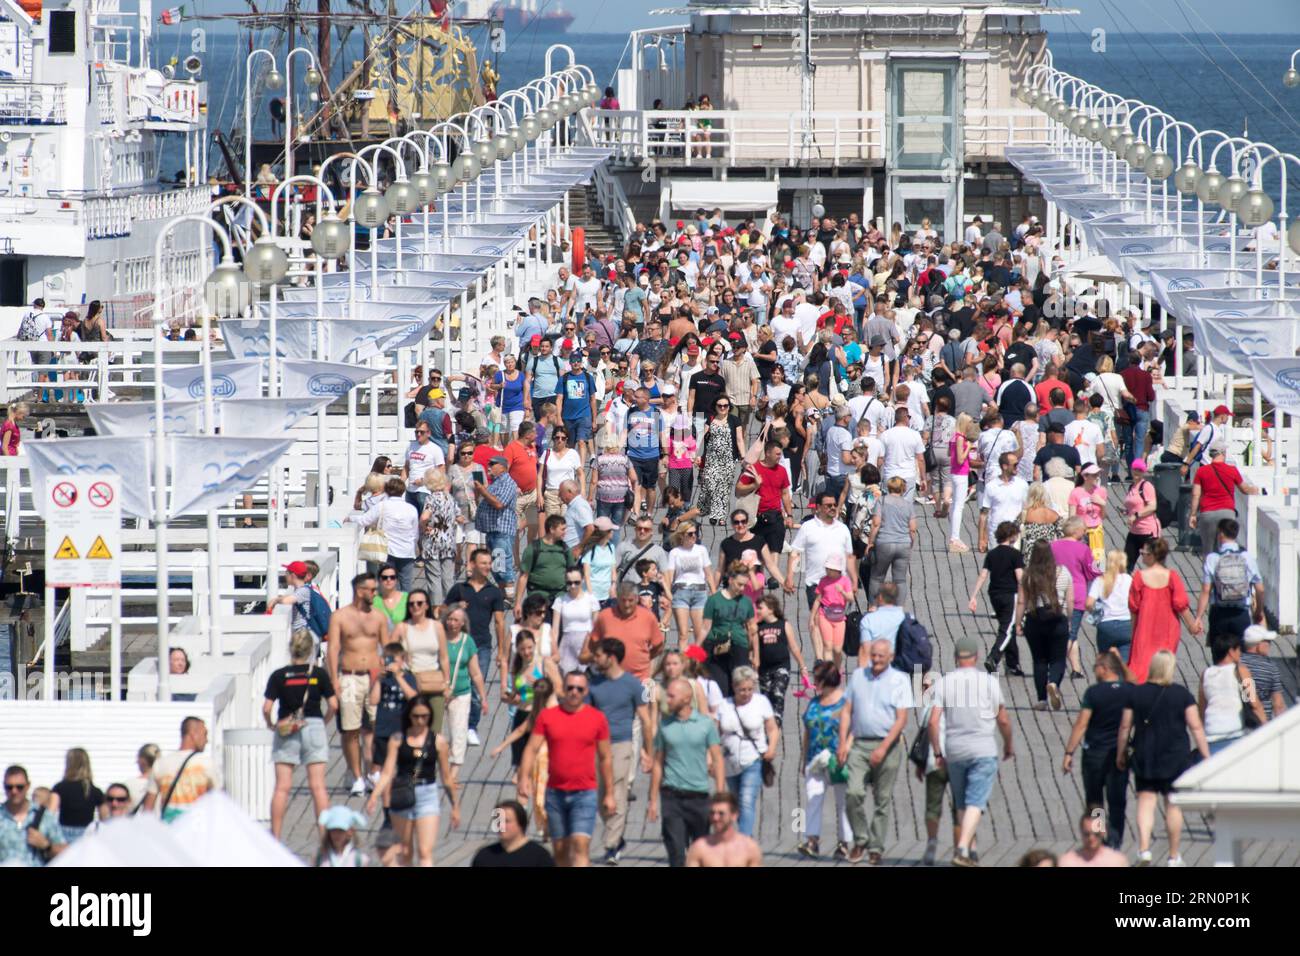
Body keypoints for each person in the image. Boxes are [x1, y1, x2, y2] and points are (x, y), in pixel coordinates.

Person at [1117, 650, 1210, 866]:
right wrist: (1206, 755)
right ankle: (1173, 855)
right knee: (1173, 806)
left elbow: (1124, 726)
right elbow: (1196, 727)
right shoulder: (1181, 694)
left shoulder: (1136, 694)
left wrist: (1121, 753)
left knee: (1146, 801)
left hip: (1145, 753)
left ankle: (1143, 850)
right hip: (1175, 757)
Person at [928, 636, 1013, 867]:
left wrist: (937, 752)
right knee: (976, 801)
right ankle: (963, 848)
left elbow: (933, 722)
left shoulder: (945, 682)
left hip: (954, 750)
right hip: (983, 749)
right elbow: (1003, 719)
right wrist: (1008, 745)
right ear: (975, 657)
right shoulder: (988, 682)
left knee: (961, 802)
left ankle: (970, 850)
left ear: (956, 658)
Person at [518, 669, 616, 867]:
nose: (574, 692)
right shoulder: (548, 716)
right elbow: (531, 748)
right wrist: (523, 778)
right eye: (570, 687)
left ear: (586, 691)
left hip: (585, 793)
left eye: (579, 689)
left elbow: (605, 757)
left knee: (580, 845)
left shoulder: (597, 718)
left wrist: (609, 794)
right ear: (563, 689)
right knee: (560, 851)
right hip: (555, 793)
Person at [837, 639, 913, 865]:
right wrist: (843, 742)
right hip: (859, 744)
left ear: (890, 657)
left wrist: (883, 748)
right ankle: (861, 839)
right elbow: (846, 711)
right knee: (853, 792)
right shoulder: (859, 676)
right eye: (874, 655)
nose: (877, 659)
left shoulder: (899, 680)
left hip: (888, 746)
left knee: (882, 799)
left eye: (881, 656)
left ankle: (876, 848)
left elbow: (901, 720)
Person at [367, 696, 460, 867]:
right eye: (416, 716)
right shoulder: (397, 739)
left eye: (424, 716)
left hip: (427, 794)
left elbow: (446, 777)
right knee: (405, 851)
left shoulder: (438, 741)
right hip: (403, 793)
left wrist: (455, 806)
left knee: (425, 852)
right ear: (408, 716)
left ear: (430, 716)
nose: (420, 721)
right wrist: (374, 795)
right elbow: (387, 772)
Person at [263, 629, 338, 839]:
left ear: (290, 649)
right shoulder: (318, 674)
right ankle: (325, 839)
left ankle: (275, 837)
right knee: (317, 786)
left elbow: (267, 707)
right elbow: (333, 704)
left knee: (282, 787)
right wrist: (324, 721)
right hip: (313, 724)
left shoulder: (279, 675)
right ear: (310, 651)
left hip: (287, 727)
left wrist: (270, 725)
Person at [586, 636, 653, 865]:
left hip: (621, 744)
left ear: (611, 658)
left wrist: (648, 751)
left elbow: (645, 718)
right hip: (596, 747)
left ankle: (612, 844)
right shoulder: (593, 684)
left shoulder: (632, 684)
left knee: (618, 792)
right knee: (602, 796)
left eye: (599, 655)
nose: (594, 659)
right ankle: (615, 834)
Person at [649, 677, 726, 867]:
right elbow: (658, 763)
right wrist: (652, 800)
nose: (667, 700)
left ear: (686, 698)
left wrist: (720, 795)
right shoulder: (665, 726)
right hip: (671, 795)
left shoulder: (705, 724)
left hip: (699, 796)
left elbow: (717, 759)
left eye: (672, 696)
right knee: (676, 852)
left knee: (701, 851)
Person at [1062, 650, 1131, 850]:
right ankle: (1115, 841)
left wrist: (1069, 752)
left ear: (1105, 669)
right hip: (1119, 754)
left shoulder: (1094, 693)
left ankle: (1099, 835)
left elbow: (1082, 723)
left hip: (1094, 753)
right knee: (1117, 800)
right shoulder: (1128, 691)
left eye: (1096, 666)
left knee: (1095, 800)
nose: (1094, 670)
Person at [328, 573, 388, 795]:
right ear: (359, 590)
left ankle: (373, 770)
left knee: (376, 727)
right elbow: (333, 649)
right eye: (372, 590)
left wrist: (384, 676)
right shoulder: (340, 617)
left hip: (373, 676)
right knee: (350, 730)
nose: (375, 593)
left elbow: (387, 647)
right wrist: (334, 680)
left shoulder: (378, 617)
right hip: (349, 675)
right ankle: (356, 775)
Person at [446, 548, 508, 746]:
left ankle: (470, 726)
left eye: (489, 563)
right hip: (458, 643)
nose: (488, 567)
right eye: (483, 563)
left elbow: (499, 622)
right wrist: (456, 608)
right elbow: (441, 611)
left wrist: (501, 652)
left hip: (482, 645)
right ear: (472, 564)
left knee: (475, 684)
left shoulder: (494, 592)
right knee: (458, 685)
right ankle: (459, 724)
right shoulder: (459, 590)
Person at [797, 660, 852, 859]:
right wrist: (804, 760)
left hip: (838, 759)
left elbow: (855, 728)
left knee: (843, 802)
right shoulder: (814, 702)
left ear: (826, 681)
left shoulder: (845, 701)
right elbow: (807, 730)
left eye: (817, 679)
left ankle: (844, 843)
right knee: (813, 798)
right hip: (814, 757)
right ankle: (812, 841)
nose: (814, 682)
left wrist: (846, 746)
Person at [716, 665, 779, 838]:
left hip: (753, 759)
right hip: (730, 761)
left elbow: (772, 728)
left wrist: (771, 747)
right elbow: (715, 734)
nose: (746, 693)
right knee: (736, 802)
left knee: (746, 800)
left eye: (750, 689)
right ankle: (746, 834)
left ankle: (744, 839)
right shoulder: (724, 706)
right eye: (742, 689)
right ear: (734, 687)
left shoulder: (761, 702)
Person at [1128, 539, 1200, 683]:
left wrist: (1133, 633)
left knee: (1140, 666)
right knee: (1164, 665)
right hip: (1168, 629)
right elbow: (1181, 605)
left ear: (1152, 555)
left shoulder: (1139, 577)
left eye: (1143, 553)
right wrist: (1192, 624)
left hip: (1145, 628)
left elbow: (1134, 608)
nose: (1141, 555)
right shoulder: (1172, 576)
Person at [1019, 540, 1072, 712]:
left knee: (1039, 660)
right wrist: (1069, 620)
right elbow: (1070, 600)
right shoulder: (1063, 572)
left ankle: (1041, 699)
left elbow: (1022, 602)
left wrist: (1018, 622)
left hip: (1035, 620)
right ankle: (1054, 682)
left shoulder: (1028, 575)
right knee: (1058, 658)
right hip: (1058, 619)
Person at [1194, 517, 1264, 643]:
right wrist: (1259, 611)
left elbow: (1206, 590)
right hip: (1241, 613)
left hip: (1219, 613)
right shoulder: (1247, 557)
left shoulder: (1213, 558)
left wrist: (1198, 617)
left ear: (1220, 534)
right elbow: (1260, 589)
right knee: (1241, 657)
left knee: (1219, 656)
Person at [969, 521, 1025, 676]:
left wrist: (973, 596)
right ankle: (993, 657)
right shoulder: (1015, 554)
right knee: (1006, 630)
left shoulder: (992, 554)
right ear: (1012, 536)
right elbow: (1020, 577)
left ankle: (1013, 665)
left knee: (1009, 627)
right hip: (1010, 594)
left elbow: (983, 575)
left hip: (994, 594)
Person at [1199, 633, 1267, 755]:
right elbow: (1254, 703)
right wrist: (1266, 727)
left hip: (1211, 733)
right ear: (1231, 651)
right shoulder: (1242, 671)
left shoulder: (1206, 674)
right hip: (1233, 732)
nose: (1240, 654)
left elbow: (1202, 709)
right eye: (1238, 650)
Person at [143, 717, 221, 821]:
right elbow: (219, 802)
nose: (207, 740)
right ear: (193, 734)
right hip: (196, 831)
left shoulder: (161, 764)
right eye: (205, 734)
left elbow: (147, 808)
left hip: (168, 831)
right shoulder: (207, 764)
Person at [349, 477, 420, 591]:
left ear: (386, 490)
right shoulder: (411, 509)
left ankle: (390, 606)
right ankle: (405, 607)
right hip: (407, 550)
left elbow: (364, 520)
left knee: (389, 584)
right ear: (403, 491)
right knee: (406, 584)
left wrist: (350, 518)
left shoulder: (382, 506)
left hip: (388, 550)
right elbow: (415, 533)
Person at [1189, 447, 1259, 562]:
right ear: (1223, 453)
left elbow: (1196, 494)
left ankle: (1209, 576)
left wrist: (1193, 514)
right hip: (1227, 512)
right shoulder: (1231, 470)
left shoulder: (1202, 471)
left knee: (1208, 550)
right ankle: (1226, 574)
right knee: (1226, 547)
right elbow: (1245, 489)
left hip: (1207, 513)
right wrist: (1255, 490)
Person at [700, 563, 757, 696]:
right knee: (720, 688)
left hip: (739, 645)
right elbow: (705, 627)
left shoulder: (746, 602)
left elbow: (752, 630)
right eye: (739, 584)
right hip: (717, 645)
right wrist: (696, 650)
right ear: (731, 580)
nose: (742, 588)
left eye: (744, 585)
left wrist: (755, 655)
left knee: (740, 688)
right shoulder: (714, 600)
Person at [754, 594, 806, 727]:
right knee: (766, 698)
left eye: (761, 608)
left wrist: (802, 666)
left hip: (781, 667)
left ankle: (776, 723)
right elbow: (753, 649)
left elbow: (793, 647)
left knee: (777, 694)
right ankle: (768, 724)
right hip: (764, 669)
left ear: (771, 609)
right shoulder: (758, 627)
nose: (758, 611)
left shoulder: (783, 624)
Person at [865, 475, 917, 606]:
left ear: (888, 487)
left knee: (877, 577)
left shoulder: (882, 501)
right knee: (900, 580)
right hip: (903, 544)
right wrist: (911, 544)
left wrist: (870, 542)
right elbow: (912, 529)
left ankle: (873, 606)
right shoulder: (908, 504)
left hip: (884, 543)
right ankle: (898, 608)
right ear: (903, 488)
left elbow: (876, 524)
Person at [1, 765, 65, 865]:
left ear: (28, 786)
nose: (14, 791)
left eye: (19, 787)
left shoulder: (44, 816)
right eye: (9, 787)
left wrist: (46, 845)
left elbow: (64, 852)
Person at [666, 521, 717, 647]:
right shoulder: (675, 552)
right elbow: (669, 575)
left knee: (700, 634)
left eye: (695, 533)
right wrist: (667, 594)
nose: (694, 536)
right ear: (682, 535)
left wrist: (714, 594)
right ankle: (683, 665)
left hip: (699, 592)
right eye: (690, 534)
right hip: (681, 591)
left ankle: (698, 663)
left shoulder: (701, 550)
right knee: (683, 634)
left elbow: (709, 574)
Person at [517, 514, 577, 615]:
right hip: (537, 598)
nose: (565, 533)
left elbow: (573, 574)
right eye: (562, 529)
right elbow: (523, 576)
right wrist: (518, 603)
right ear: (552, 529)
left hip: (560, 598)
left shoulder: (565, 549)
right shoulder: (533, 549)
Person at [685, 791, 763, 866]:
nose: (715, 818)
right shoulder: (699, 848)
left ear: (734, 815)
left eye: (721, 813)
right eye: (712, 813)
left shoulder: (749, 848)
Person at [471, 800, 556, 867]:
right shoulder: (484, 856)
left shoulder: (540, 857)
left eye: (506, 821)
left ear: (521, 823)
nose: (501, 825)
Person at [47, 748, 103, 845]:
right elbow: (105, 819)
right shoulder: (95, 791)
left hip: (64, 835)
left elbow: (49, 815)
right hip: (87, 835)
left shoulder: (60, 788)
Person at [1087, 550, 1134, 658]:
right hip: (1126, 624)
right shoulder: (1129, 579)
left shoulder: (1100, 580)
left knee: (1106, 663)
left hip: (1105, 624)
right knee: (1124, 664)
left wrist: (1094, 613)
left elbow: (1089, 603)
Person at [1122, 459, 1160, 572]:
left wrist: (1136, 515)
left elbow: (1152, 506)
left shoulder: (1146, 486)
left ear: (1143, 472)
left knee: (1152, 563)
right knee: (1126, 564)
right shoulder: (1131, 487)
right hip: (1134, 531)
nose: (1137, 472)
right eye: (1135, 469)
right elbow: (1134, 506)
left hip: (1148, 531)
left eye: (1140, 470)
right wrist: (1127, 512)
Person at [1058, 811, 1129, 867]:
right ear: (1081, 832)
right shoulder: (1067, 862)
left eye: (1096, 834)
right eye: (1087, 834)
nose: (1091, 838)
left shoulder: (1117, 861)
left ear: (1104, 832)